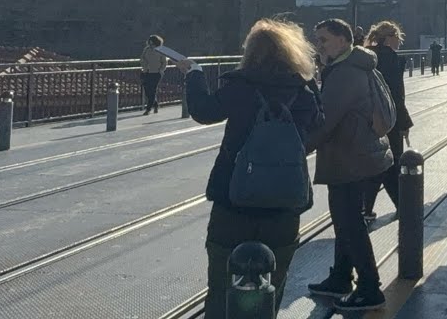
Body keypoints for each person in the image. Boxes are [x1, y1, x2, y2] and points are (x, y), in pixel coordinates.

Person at [179, 19, 324, 319]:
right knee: (274, 280)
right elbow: (318, 126)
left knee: (221, 283)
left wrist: (194, 75)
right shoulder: (303, 91)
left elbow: (204, 111)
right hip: (285, 201)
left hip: (234, 198)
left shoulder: (240, 87)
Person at [305, 18, 393, 312]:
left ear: (343, 40)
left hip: (349, 157)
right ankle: (341, 276)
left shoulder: (344, 74)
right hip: (358, 154)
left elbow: (325, 120)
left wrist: (298, 149)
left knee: (349, 222)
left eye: (324, 39)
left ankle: (369, 287)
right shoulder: (354, 65)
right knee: (345, 219)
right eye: (317, 39)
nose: (318, 45)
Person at [362, 20, 413, 223]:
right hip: (388, 118)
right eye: (398, 38)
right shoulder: (392, 59)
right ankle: (401, 205)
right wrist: (404, 122)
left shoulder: (367, 56)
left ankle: (369, 208)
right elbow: (396, 95)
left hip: (368, 117)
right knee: (390, 163)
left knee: (378, 162)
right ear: (389, 38)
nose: (399, 42)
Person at [140, 34, 167, 115]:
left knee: (152, 90)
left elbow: (164, 62)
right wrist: (144, 66)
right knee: (147, 91)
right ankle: (155, 104)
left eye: (152, 43)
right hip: (147, 72)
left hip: (156, 73)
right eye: (150, 42)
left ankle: (148, 109)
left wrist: (161, 70)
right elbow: (142, 58)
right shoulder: (147, 49)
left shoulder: (161, 50)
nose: (151, 44)